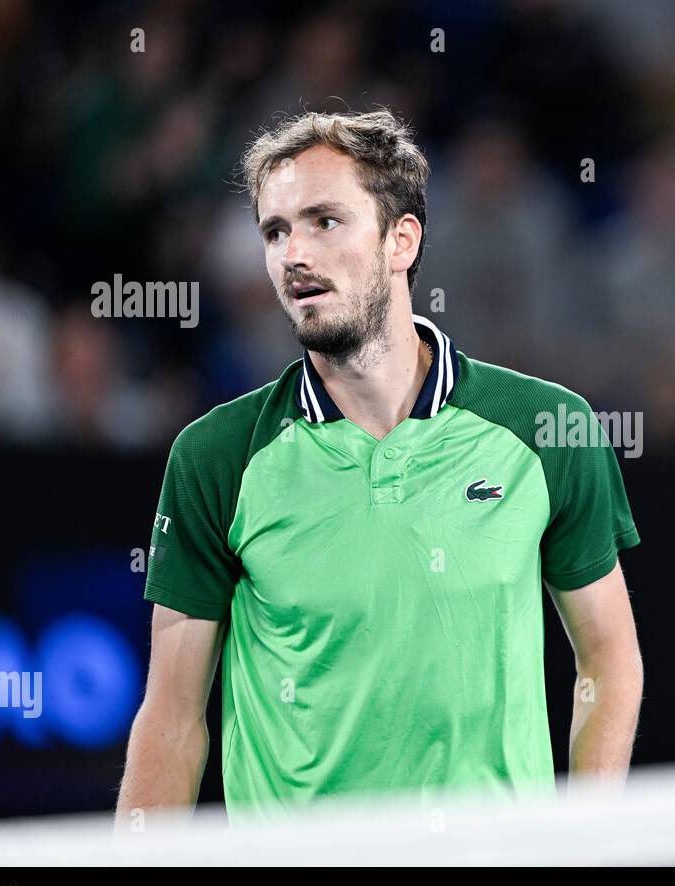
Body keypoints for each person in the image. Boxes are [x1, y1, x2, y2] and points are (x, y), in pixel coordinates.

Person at [115, 110, 642, 827]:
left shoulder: (549, 429)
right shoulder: (217, 456)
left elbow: (608, 659)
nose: (293, 254)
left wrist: (586, 844)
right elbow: (173, 720)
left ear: (403, 239)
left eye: (324, 221)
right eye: (274, 231)